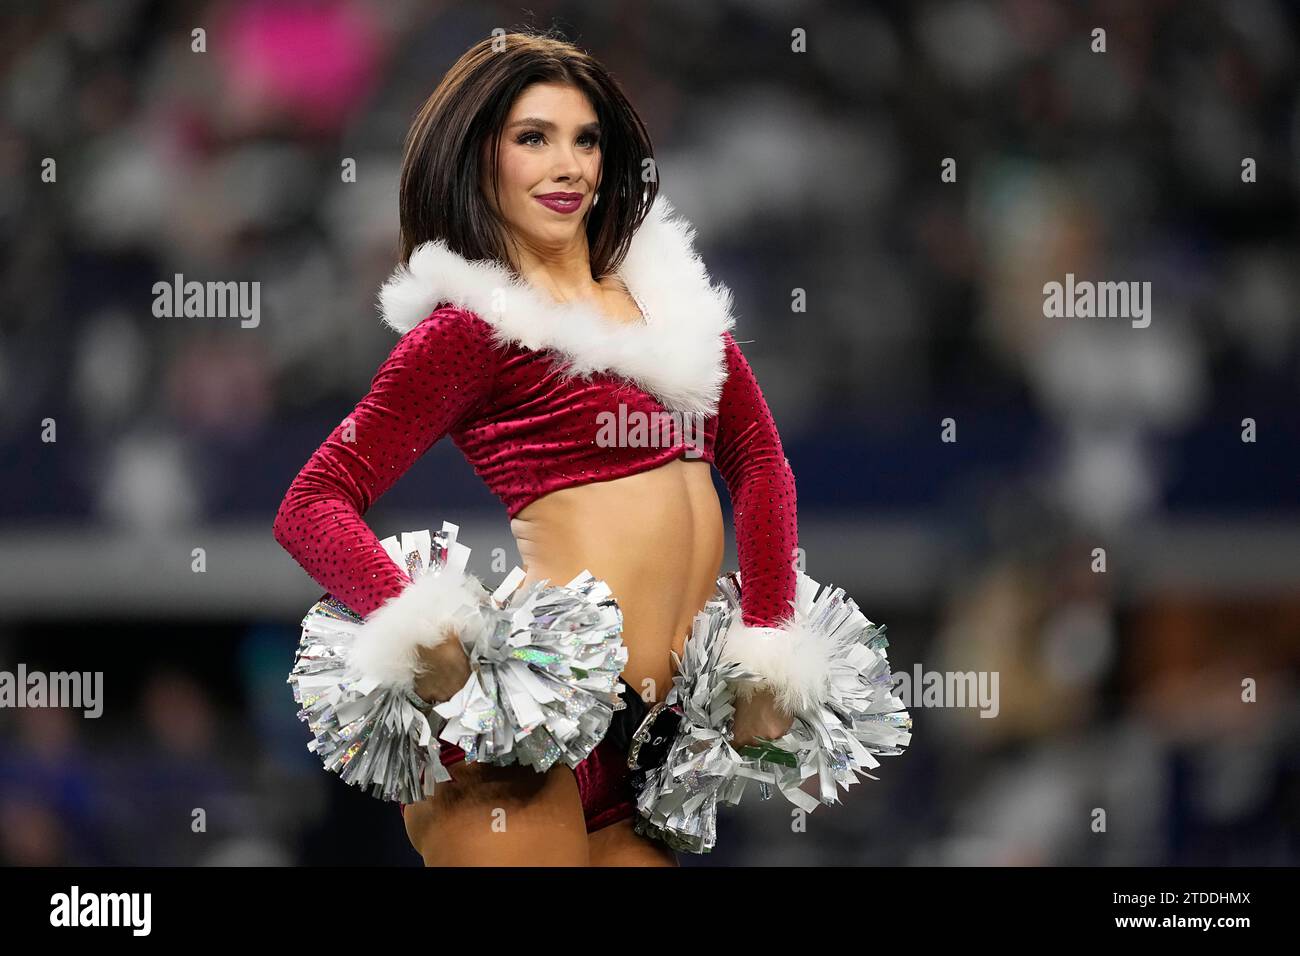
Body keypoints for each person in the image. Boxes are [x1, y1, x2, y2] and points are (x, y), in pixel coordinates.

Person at [273, 30, 821, 867]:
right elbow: (312, 503)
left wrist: (768, 645)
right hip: (525, 743)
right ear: (479, 157)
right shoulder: (473, 328)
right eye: (534, 137)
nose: (568, 164)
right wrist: (425, 629)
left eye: (585, 138)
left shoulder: (669, 307)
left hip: (652, 747)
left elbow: (758, 462)